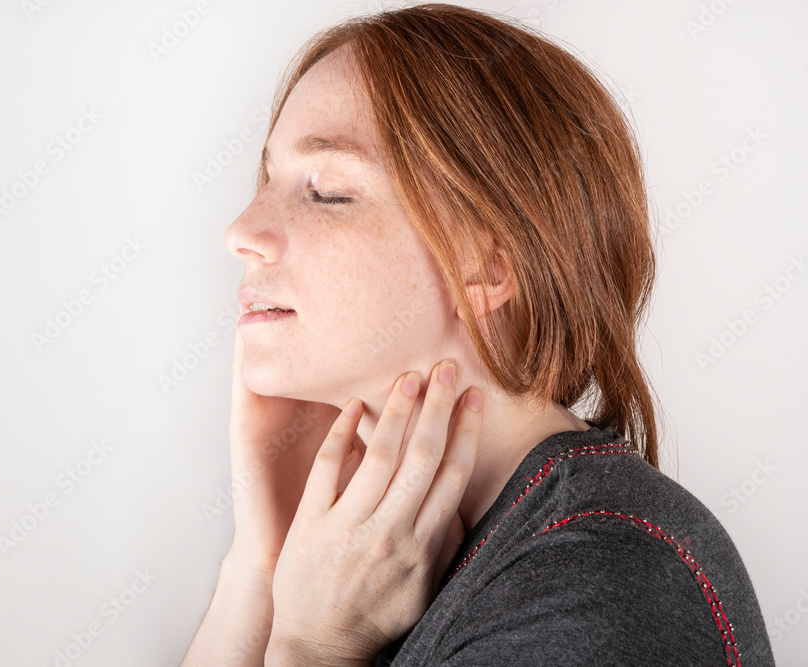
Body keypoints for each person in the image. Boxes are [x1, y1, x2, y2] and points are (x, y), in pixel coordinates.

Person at [183, 4, 775, 665]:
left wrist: (313, 647)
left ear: (489, 267)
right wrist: (261, 567)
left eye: (326, 190)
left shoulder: (605, 585)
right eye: (268, 179)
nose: (240, 231)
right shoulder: (362, 564)